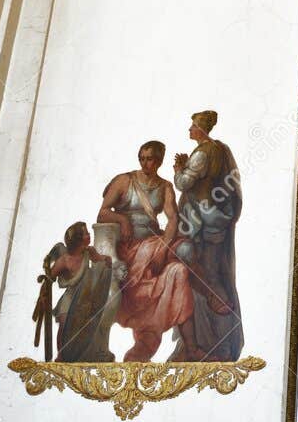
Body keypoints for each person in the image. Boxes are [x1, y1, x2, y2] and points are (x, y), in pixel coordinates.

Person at [98, 141, 193, 362]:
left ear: (159, 161)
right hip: (127, 246)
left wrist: (164, 248)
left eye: (150, 158)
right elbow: (102, 213)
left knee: (179, 268)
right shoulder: (125, 181)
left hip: (153, 242)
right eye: (142, 157)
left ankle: (155, 335)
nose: (145, 162)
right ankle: (144, 332)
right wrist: (121, 219)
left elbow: (173, 220)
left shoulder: (166, 187)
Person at [172, 111, 244, 361]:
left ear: (201, 129)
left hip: (200, 222)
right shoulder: (219, 150)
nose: (189, 130)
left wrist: (179, 168)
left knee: (204, 277)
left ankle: (215, 343)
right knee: (210, 276)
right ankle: (207, 342)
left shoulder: (202, 153)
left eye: (192, 126)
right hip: (213, 221)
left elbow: (182, 184)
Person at [45, 222, 120, 363]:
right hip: (70, 297)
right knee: (63, 324)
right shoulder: (64, 260)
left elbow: (99, 259)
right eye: (86, 233)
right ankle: (61, 355)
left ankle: (80, 353)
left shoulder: (89, 252)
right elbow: (50, 276)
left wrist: (106, 260)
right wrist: (45, 288)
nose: (89, 235)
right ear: (79, 239)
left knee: (84, 326)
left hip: (84, 296)